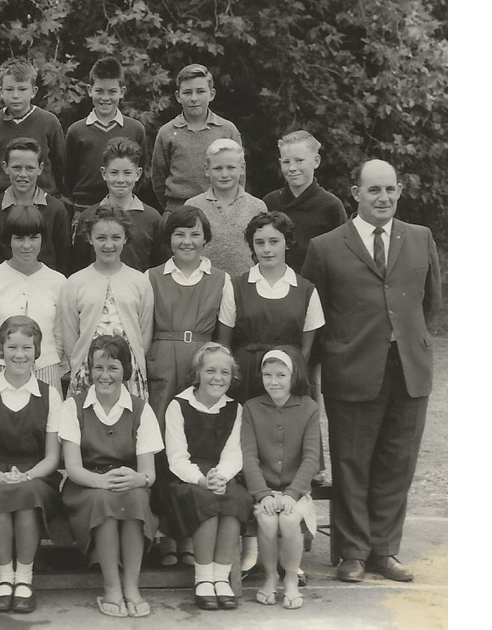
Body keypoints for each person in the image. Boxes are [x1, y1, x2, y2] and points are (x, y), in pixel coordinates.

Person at [300, 159, 442, 583]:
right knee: (352, 465)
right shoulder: (325, 247)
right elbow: (313, 314)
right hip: (353, 371)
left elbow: (429, 304)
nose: (383, 198)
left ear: (399, 191)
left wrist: (407, 340)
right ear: (355, 193)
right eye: (374, 190)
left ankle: (384, 550)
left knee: (397, 464)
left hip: (410, 371)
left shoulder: (420, 238)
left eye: (390, 190)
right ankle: (353, 554)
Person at [144, 206, 232, 566]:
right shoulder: (151, 277)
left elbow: (224, 337)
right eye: (180, 233)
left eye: (195, 234)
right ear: (169, 239)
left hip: (203, 360)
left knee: (198, 445)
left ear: (205, 239)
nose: (187, 241)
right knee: (162, 448)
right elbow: (144, 330)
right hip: (162, 362)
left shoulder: (221, 280)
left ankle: (193, 535)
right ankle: (166, 535)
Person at [0, 316, 66, 614]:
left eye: (27, 347)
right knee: (0, 495)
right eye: (12, 347)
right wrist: (0, 476)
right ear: (0, 350)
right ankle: (4, 579)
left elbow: (52, 457)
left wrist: (25, 476)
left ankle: (24, 579)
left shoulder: (50, 396)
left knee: (25, 497)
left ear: (37, 351)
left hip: (37, 476)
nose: (19, 354)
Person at [60, 335, 162, 618]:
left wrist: (137, 480)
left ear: (125, 371)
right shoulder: (74, 407)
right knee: (105, 500)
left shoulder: (141, 409)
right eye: (98, 368)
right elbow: (73, 467)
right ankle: (112, 588)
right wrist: (102, 482)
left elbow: (148, 473)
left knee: (136, 499)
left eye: (113, 368)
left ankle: (132, 587)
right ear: (90, 370)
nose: (105, 376)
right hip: (85, 486)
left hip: (127, 482)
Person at [162, 343, 253, 611]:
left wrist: (221, 477)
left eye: (225, 372)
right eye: (211, 370)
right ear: (198, 373)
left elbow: (233, 453)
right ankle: (203, 579)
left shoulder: (235, 409)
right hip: (186, 479)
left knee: (236, 498)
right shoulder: (178, 405)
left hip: (221, 474)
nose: (218, 377)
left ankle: (220, 578)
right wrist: (202, 480)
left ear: (232, 377)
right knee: (206, 498)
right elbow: (177, 457)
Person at [242, 347, 321, 610]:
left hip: (295, 491)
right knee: (266, 520)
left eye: (280, 375)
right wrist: (262, 494)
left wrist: (292, 493)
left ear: (293, 374)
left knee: (288, 520)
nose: (273, 381)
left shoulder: (308, 408)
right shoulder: (252, 408)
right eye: (267, 375)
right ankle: (270, 577)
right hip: (263, 489)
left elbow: (311, 457)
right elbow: (249, 456)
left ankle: (290, 578)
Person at [216, 211, 324, 402]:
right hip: (245, 378)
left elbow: (306, 350)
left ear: (287, 243)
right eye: (259, 243)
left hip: (287, 378)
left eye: (274, 241)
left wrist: (290, 376)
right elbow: (224, 343)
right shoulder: (236, 286)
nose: (267, 249)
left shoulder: (306, 291)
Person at [59, 206, 154, 400]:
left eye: (116, 238)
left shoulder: (140, 281)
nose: (108, 245)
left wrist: (131, 364)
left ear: (125, 239)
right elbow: (69, 333)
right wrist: (79, 365)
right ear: (89, 239)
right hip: (87, 370)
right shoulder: (75, 282)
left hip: (128, 371)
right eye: (101, 238)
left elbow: (144, 332)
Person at [0, 205, 67, 385]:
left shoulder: (58, 282)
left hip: (45, 369)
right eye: (19, 238)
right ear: (9, 240)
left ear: (42, 239)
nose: (26, 246)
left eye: (33, 238)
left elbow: (60, 333)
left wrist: (52, 358)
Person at [150, 64, 242, 214]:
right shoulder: (167, 132)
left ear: (211, 94)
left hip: (218, 209)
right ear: (178, 96)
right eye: (187, 92)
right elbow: (159, 178)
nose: (194, 98)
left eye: (200, 91)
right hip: (178, 210)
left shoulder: (227, 130)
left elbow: (239, 175)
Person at [64, 56, 149, 215]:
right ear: (90, 90)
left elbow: (141, 169)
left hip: (124, 208)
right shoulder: (76, 131)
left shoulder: (135, 129)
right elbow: (68, 175)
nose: (105, 98)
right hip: (85, 208)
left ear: (122, 92)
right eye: (99, 91)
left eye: (112, 92)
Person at [69, 137, 163, 273]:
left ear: (138, 174)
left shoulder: (152, 218)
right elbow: (79, 266)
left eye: (127, 173)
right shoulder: (88, 216)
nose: (120, 180)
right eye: (114, 173)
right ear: (104, 173)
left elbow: (158, 267)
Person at [0, 138, 73, 274]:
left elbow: (64, 258)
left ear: (40, 168)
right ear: (5, 167)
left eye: (30, 168)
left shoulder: (56, 209)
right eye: (16, 168)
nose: (23, 175)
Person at [0, 58, 67, 199]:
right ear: (1, 91)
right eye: (9, 89)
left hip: (41, 199)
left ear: (33, 91)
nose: (15, 95)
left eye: (22, 89)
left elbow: (60, 165)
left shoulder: (49, 122)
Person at [262, 131, 347, 271]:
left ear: (316, 161)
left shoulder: (331, 206)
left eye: (299, 160)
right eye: (286, 162)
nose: (292, 168)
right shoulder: (270, 203)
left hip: (317, 286)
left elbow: (342, 255)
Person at [185, 139, 266, 277]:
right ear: (207, 170)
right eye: (217, 168)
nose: (224, 174)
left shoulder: (257, 206)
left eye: (231, 167)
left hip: (245, 285)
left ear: (242, 168)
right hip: (204, 285)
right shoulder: (193, 206)